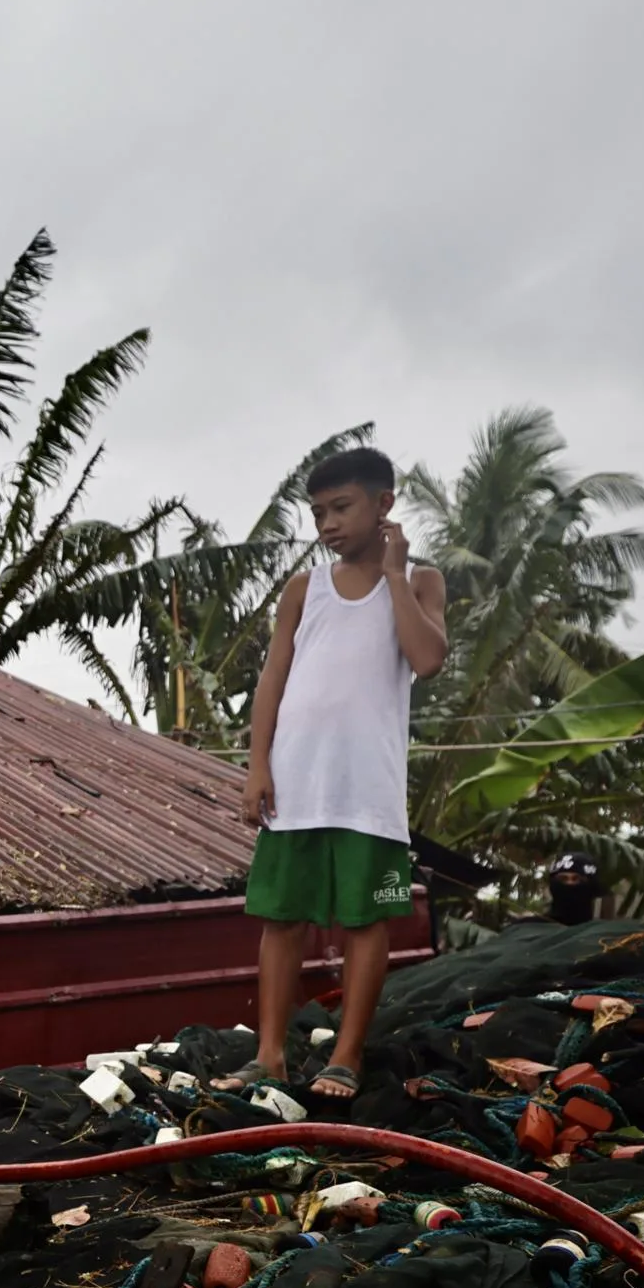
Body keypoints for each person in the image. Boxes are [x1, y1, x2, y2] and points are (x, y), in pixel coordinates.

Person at [215, 447, 447, 1100]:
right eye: (318, 512)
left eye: (341, 507)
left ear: (384, 504)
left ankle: (344, 1057)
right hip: (297, 784)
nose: (327, 523)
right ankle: (269, 1056)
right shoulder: (303, 589)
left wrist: (396, 575)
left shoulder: (422, 582)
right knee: (281, 919)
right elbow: (273, 681)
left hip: (367, 791)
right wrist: (257, 764)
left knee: (364, 923)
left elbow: (427, 658)